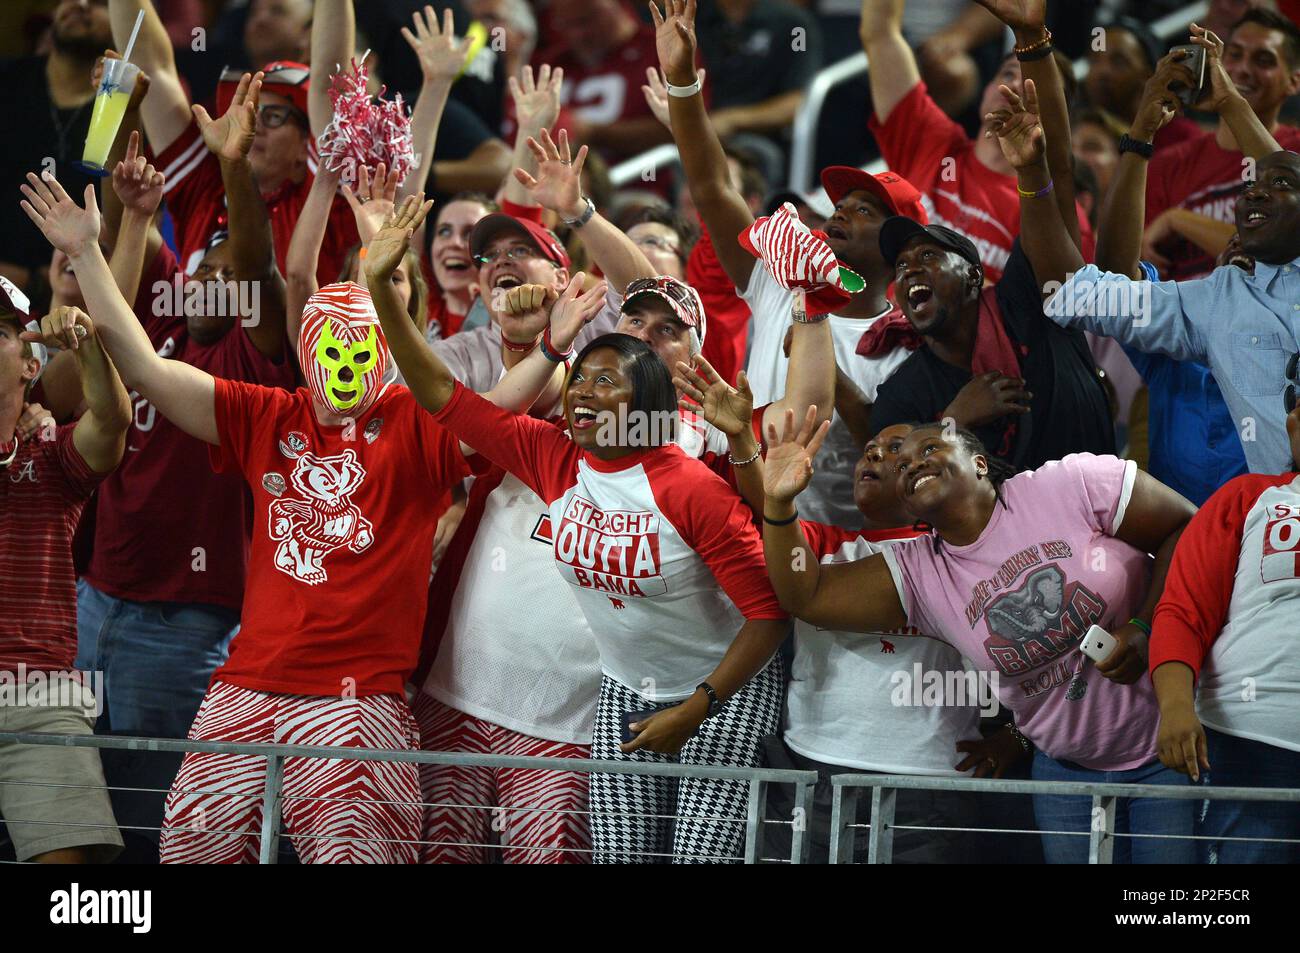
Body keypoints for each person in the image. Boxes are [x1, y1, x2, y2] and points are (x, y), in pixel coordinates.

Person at [21, 165, 604, 862]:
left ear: (384, 352)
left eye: (360, 349)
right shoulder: (266, 414)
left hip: (357, 703)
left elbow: (500, 408)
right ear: (303, 353)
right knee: (188, 852)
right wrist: (87, 254)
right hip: (246, 683)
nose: (344, 363)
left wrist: (550, 346)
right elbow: (145, 369)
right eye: (328, 348)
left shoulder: (414, 421)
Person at [370, 209, 790, 863]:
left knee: (697, 857)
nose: (587, 393)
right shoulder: (554, 453)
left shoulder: (696, 477)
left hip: (718, 682)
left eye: (608, 380)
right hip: (620, 685)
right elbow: (444, 396)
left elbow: (770, 606)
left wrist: (697, 705)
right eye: (583, 376)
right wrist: (381, 292)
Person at [759, 413, 1199, 863]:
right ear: (907, 507)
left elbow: (1189, 530)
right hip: (1066, 774)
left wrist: (1147, 625)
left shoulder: (1068, 483)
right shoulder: (921, 573)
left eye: (929, 449)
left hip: (1167, 745)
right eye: (903, 466)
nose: (911, 464)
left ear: (980, 463)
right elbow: (806, 595)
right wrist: (778, 504)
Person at [675, 357, 997, 863]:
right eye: (868, 450)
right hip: (812, 775)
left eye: (897, 449)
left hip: (928, 785)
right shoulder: (823, 547)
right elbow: (771, 508)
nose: (875, 456)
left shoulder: (962, 553)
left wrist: (1018, 737)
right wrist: (741, 439)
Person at [75, 75, 296, 743]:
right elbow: (125, 220)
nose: (212, 282)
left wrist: (232, 163)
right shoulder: (163, 314)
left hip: (186, 621)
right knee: (84, 787)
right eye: (206, 268)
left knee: (158, 809)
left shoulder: (254, 362)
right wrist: (121, 101)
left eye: (228, 280)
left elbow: (257, 267)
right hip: (95, 598)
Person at [652, 0, 920, 529]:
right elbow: (711, 187)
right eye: (840, 204)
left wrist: (822, 360)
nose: (841, 212)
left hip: (846, 548)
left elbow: (890, 448)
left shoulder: (908, 340)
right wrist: (683, 83)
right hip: (753, 522)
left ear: (900, 247)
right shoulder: (779, 279)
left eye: (864, 210)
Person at [1046, 33, 1300, 476]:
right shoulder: (1201, 308)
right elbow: (1102, 284)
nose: (1253, 198)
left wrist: (1230, 104)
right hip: (1233, 525)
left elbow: (1286, 181)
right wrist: (1139, 135)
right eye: (1249, 195)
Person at [867, 78, 1114, 472]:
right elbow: (889, 490)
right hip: (995, 535)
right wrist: (953, 423)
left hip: (1099, 511)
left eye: (928, 254)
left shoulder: (1029, 302)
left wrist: (1032, 170)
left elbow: (1050, 226)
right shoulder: (902, 392)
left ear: (973, 276)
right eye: (899, 266)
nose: (909, 268)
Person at [1, 277, 130, 864]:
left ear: (30, 366)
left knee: (74, 895)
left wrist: (85, 346)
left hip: (37, 696)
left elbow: (113, 422)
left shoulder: (52, 456)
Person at [1090, 37, 1249, 506]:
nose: (1240, 243)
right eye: (1234, 236)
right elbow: (1115, 278)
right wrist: (1141, 133)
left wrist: (1231, 103)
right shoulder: (1178, 334)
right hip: (1179, 544)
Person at [108, 0, 358, 283]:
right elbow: (152, 66)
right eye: (247, 111)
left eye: (275, 116)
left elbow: (331, 85)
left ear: (306, 147)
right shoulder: (204, 188)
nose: (253, 124)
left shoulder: (322, 202)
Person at [1151, 403, 1300, 864]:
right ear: (1293, 425)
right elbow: (1183, 611)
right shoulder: (1248, 496)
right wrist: (1175, 706)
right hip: (1252, 743)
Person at [862, 0, 1094, 284]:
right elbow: (881, 34)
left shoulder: (1054, 212)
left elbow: (1058, 310)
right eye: (1008, 73)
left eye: (1033, 83)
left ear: (1059, 117)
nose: (1015, 86)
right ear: (986, 89)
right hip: (883, 324)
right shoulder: (932, 140)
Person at [1144, 10, 1300, 281]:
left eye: (1263, 60)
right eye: (1235, 55)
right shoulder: (1168, 165)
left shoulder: (1295, 150)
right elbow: (1133, 262)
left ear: (1294, 81)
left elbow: (1289, 238)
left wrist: (1179, 219)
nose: (1242, 69)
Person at [0, 0, 112, 288]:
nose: (82, 4)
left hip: (77, 292)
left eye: (101, 3)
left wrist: (35, 282)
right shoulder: (9, 80)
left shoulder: (118, 110)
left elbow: (125, 225)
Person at [1084, 17, 1202, 152]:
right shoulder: (1078, 135)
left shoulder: (1181, 139)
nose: (1102, 71)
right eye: (1094, 60)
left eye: (1118, 62)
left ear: (1148, 75)